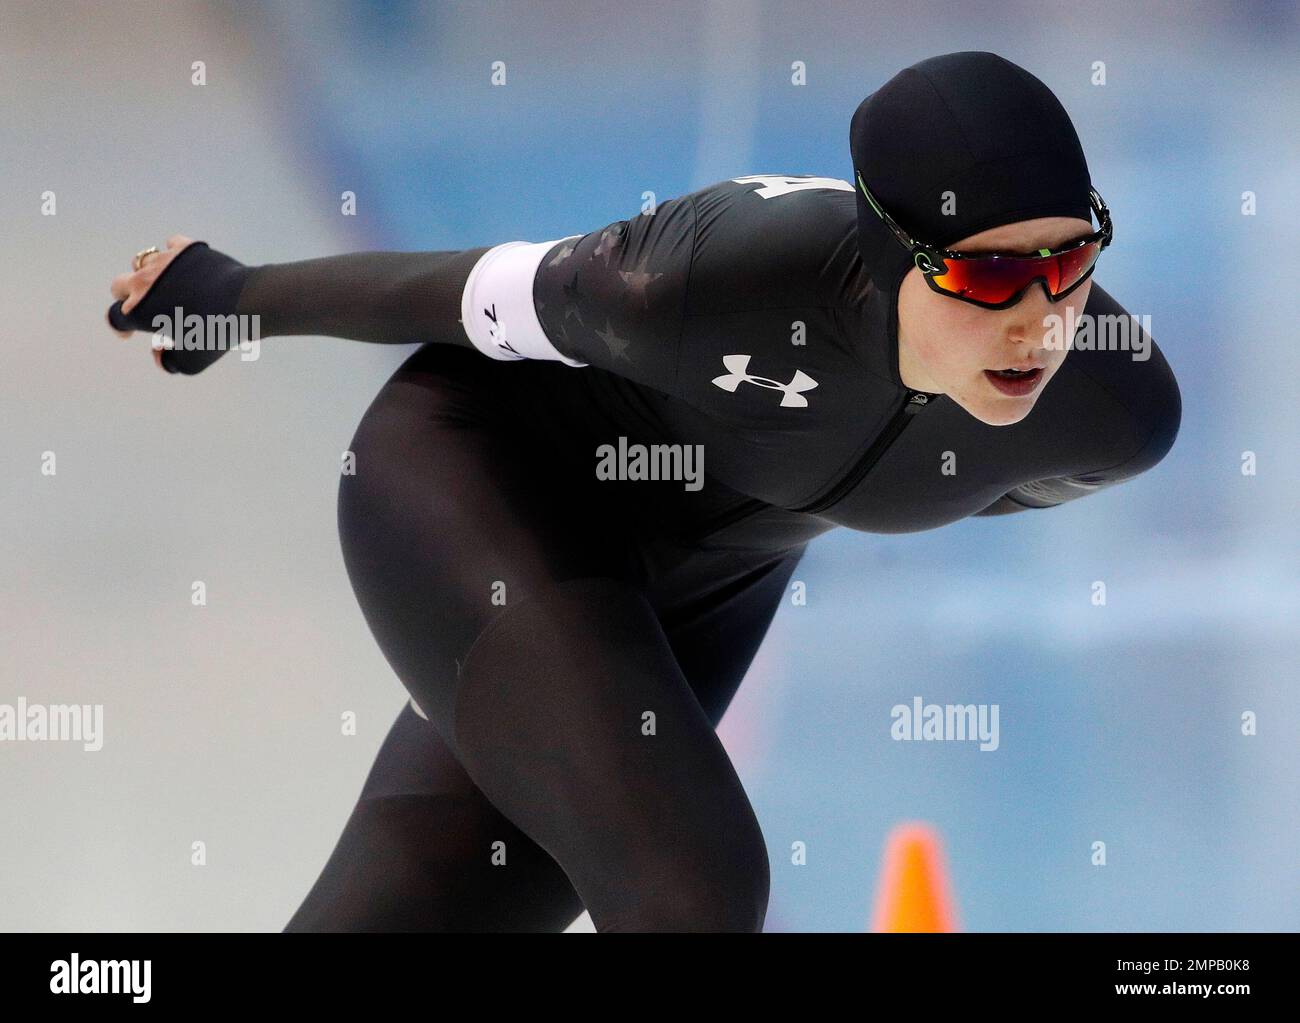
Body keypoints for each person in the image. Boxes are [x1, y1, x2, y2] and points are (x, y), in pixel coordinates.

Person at [105, 51, 1180, 932]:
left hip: (704, 586)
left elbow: (924, 472)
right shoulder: (700, 283)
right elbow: (456, 293)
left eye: (1071, 257)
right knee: (692, 894)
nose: (1041, 317)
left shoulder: (1112, 412)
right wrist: (230, 299)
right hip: (483, 483)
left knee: (431, 907)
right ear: (887, 251)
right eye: (989, 275)